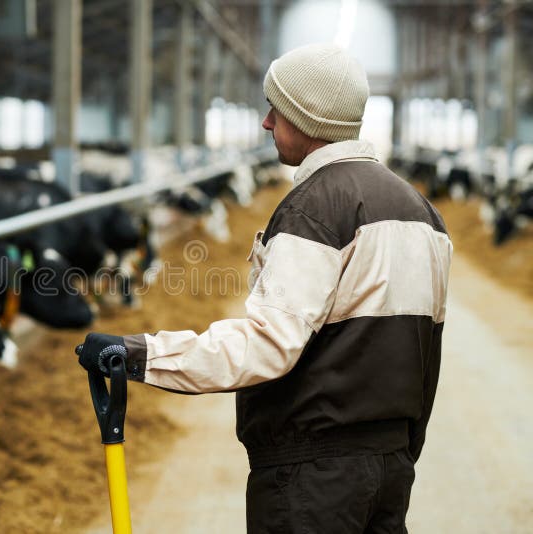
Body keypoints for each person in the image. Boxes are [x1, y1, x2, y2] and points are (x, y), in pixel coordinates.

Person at [76, 43, 453, 533]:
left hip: (311, 477)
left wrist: (141, 354)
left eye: (276, 109)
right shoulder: (424, 214)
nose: (266, 123)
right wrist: (398, 453)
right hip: (390, 470)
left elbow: (268, 345)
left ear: (305, 117)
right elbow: (429, 353)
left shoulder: (316, 208)